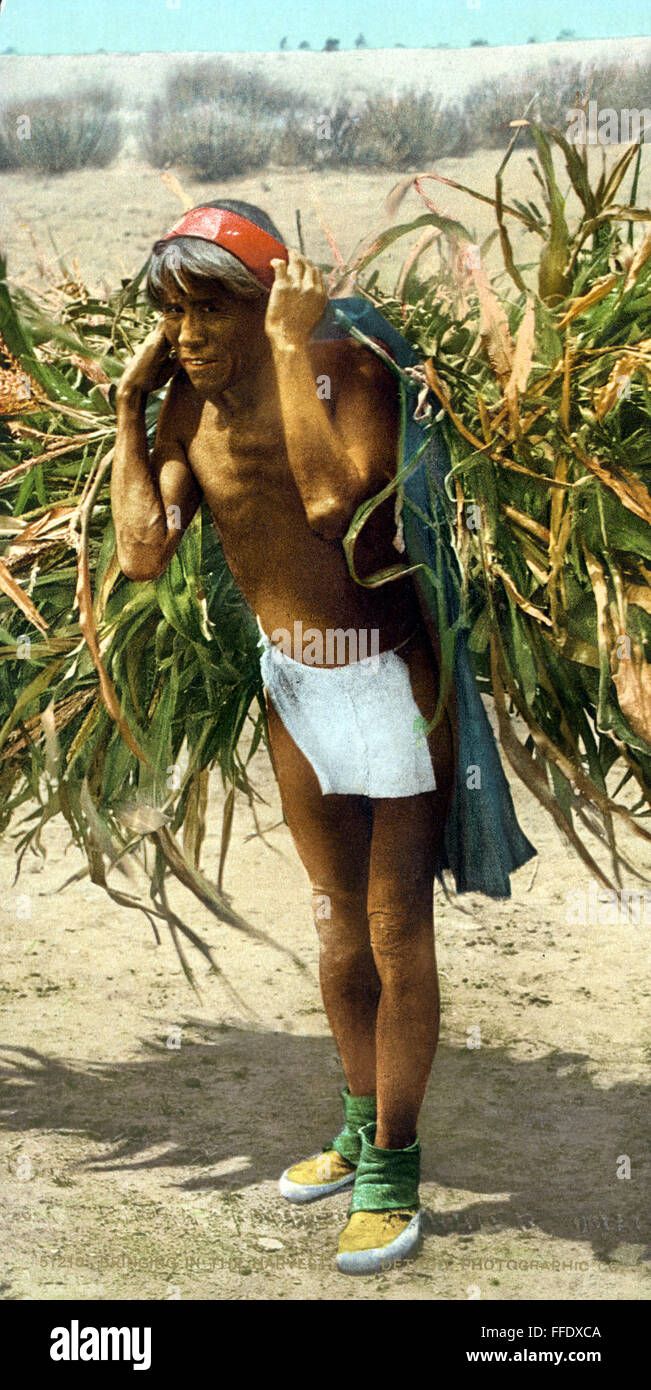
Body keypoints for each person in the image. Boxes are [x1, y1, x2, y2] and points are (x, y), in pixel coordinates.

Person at [111, 199, 530, 1275]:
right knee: (338, 931)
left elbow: (334, 501)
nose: (189, 333)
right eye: (173, 310)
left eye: (211, 307)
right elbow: (147, 553)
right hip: (294, 690)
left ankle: (394, 1168)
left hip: (389, 687)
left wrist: (294, 348)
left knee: (397, 935)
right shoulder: (186, 411)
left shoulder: (348, 369)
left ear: (270, 302)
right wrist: (126, 411)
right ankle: (357, 1123)